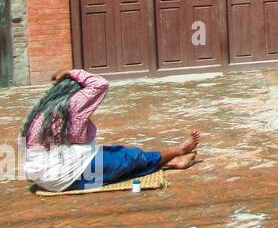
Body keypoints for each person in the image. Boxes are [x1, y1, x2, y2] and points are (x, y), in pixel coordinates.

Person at [21, 69, 200, 193]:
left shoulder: (40, 111)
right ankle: (178, 151)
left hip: (46, 179)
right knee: (130, 156)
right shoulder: (70, 105)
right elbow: (100, 84)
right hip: (67, 176)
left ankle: (172, 163)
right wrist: (70, 71)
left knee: (113, 158)